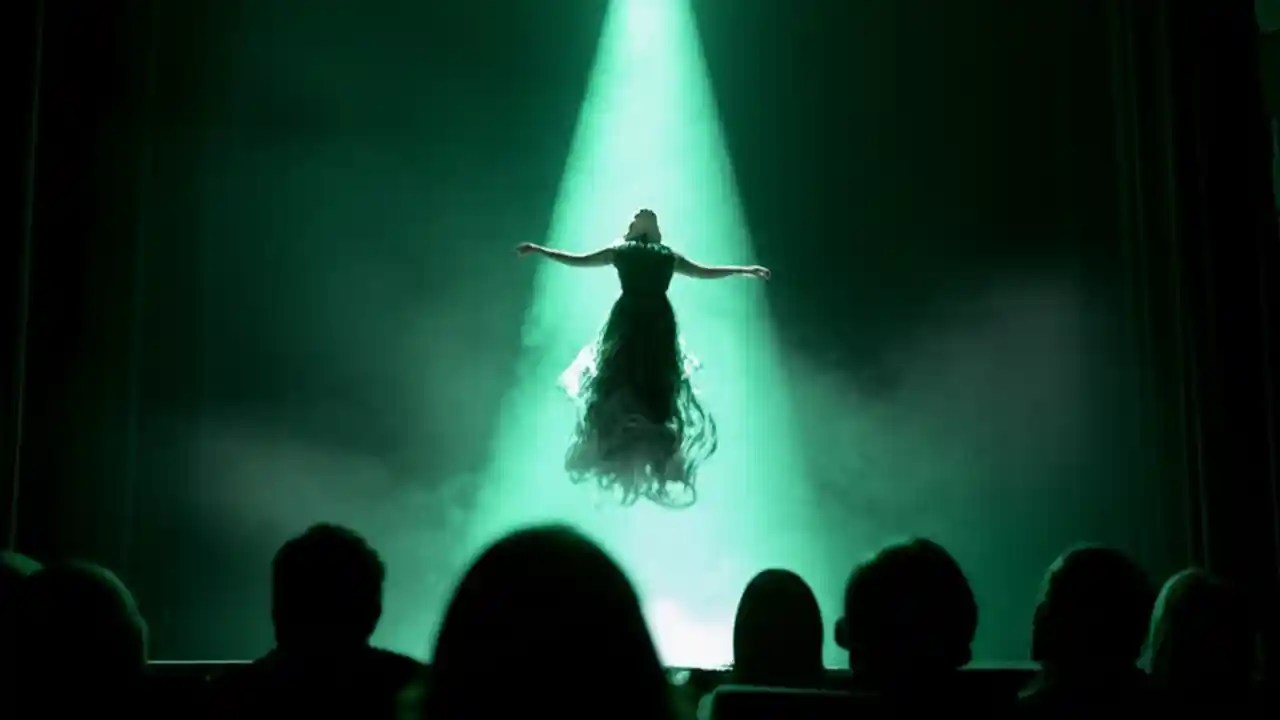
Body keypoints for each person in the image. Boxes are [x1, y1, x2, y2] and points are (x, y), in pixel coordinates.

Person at [517, 208, 769, 507]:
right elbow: (577, 260)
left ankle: (658, 446)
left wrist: (745, 270)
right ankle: (610, 440)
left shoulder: (668, 256)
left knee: (657, 379)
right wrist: (539, 250)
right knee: (619, 375)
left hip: (658, 321)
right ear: (634, 224)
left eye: (650, 214)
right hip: (629, 318)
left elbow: (703, 271)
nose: (645, 215)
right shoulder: (619, 251)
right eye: (640, 214)